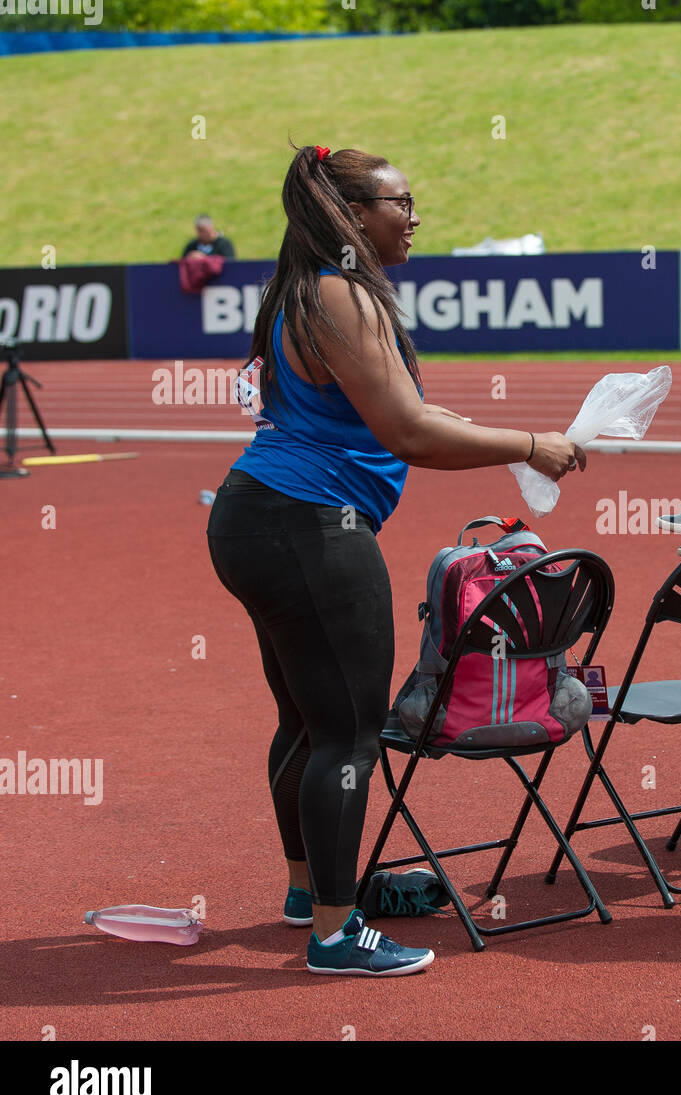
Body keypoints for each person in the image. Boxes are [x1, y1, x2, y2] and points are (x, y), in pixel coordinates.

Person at [205, 144, 585, 977]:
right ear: (351, 217)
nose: (414, 217)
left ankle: (312, 893)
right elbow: (410, 434)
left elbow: (404, 409)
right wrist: (528, 445)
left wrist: (518, 440)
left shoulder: (307, 290)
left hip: (262, 518)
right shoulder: (342, 295)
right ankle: (336, 935)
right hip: (309, 528)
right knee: (348, 734)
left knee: (307, 722)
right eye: (399, 203)